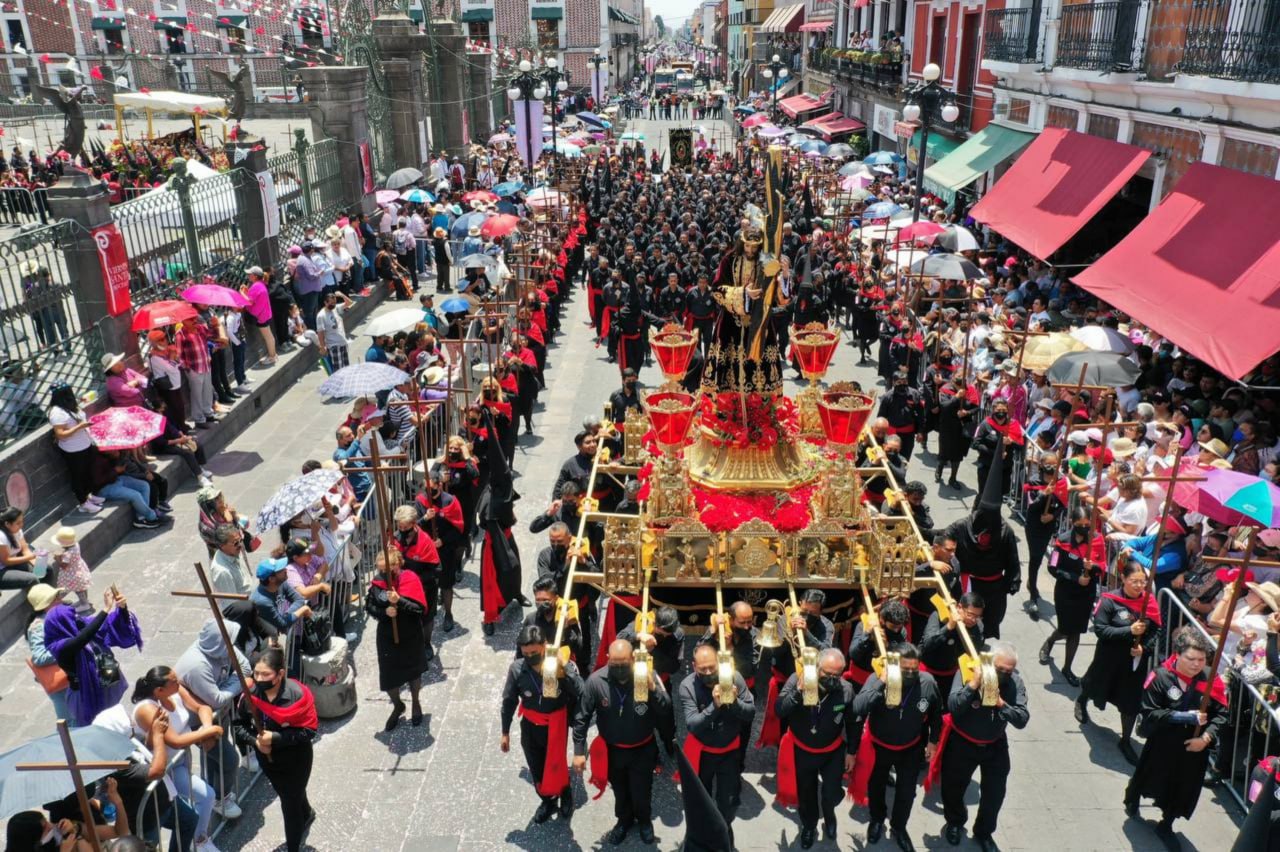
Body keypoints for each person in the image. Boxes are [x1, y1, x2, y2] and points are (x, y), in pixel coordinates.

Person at [1124, 626, 1227, 838]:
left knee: (1183, 787)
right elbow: (1150, 711)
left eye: (1201, 659)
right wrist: (1185, 717)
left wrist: (1205, 738)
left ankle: (1167, 821)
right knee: (1149, 776)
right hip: (1163, 741)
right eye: (1191, 658)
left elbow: (1221, 715)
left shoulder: (1210, 679)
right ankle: (1132, 797)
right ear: (1177, 654)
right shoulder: (1161, 676)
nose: (1197, 664)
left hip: (1194, 745)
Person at [572, 639, 672, 846]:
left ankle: (645, 821)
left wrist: (653, 688)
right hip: (612, 750)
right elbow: (582, 717)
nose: (619, 669)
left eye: (623, 664)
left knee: (642, 790)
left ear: (633, 659)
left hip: (643, 748)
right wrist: (579, 751)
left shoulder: (647, 676)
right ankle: (623, 821)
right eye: (614, 665)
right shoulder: (595, 681)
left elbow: (665, 709)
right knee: (619, 790)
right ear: (608, 660)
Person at [933, 641, 1030, 851]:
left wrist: (1002, 705)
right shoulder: (968, 671)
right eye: (999, 669)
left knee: (995, 793)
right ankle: (955, 822)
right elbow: (953, 706)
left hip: (994, 744)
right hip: (962, 742)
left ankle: (984, 832)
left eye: (1008, 671)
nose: (1004, 674)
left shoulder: (1015, 683)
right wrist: (973, 685)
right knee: (953, 787)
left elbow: (1022, 719)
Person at [851, 643, 943, 852]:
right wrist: (882, 681)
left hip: (910, 748)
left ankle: (899, 827)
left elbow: (936, 713)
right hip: (879, 747)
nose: (910, 673)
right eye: (905, 669)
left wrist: (933, 740)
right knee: (876, 786)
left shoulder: (927, 682)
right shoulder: (878, 679)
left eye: (914, 669)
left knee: (907, 792)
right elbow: (858, 707)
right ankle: (877, 819)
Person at [129, 666, 226, 852]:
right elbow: (175, 741)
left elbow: (202, 707)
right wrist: (211, 731)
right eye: (174, 680)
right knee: (206, 796)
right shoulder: (148, 709)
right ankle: (199, 840)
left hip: (182, 760)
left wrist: (206, 729)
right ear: (159, 690)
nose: (179, 681)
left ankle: (193, 840)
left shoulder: (175, 690)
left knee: (187, 815)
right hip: (166, 768)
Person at [1076, 561, 1162, 765]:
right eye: (1134, 581)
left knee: (1130, 702)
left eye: (1143, 582)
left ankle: (1125, 739)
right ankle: (1082, 699)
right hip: (1109, 657)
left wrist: (1144, 648)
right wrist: (1129, 631)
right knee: (1095, 682)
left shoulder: (1149, 602)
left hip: (1134, 661)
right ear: (1123, 579)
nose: (1139, 586)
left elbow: (1156, 630)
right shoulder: (1109, 601)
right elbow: (1101, 630)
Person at [233, 648, 318, 852]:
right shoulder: (249, 696)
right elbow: (238, 726)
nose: (259, 678)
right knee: (291, 795)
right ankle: (306, 813)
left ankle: (293, 847)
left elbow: (309, 730)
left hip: (297, 758)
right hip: (269, 760)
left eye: (266, 674)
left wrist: (277, 737)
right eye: (256, 673)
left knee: (289, 805)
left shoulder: (297, 695)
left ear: (280, 674)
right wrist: (255, 741)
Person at [773, 648, 857, 849]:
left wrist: (852, 752)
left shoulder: (845, 690)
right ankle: (809, 826)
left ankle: (829, 814)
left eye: (836, 674)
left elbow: (854, 723)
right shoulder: (797, 679)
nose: (831, 678)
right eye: (827, 673)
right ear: (817, 667)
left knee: (832, 792)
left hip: (832, 752)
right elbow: (779, 710)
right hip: (802, 751)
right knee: (806, 794)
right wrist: (798, 692)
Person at [502, 624, 585, 823]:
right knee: (536, 766)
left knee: (556, 763)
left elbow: (581, 690)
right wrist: (504, 731)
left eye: (534, 652)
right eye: (526, 652)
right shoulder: (517, 669)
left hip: (556, 724)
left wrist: (564, 666)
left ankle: (565, 793)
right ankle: (547, 800)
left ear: (545, 646)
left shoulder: (559, 667)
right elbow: (509, 701)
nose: (530, 656)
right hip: (530, 726)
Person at [175, 619, 250, 816]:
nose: (232, 647)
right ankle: (220, 799)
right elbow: (216, 699)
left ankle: (213, 791)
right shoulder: (197, 665)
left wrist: (231, 686)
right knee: (230, 759)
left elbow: (246, 668)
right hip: (200, 723)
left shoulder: (221, 649)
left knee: (216, 760)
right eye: (229, 642)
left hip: (218, 715)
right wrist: (240, 683)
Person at [679, 643, 755, 835]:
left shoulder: (734, 677)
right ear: (694, 666)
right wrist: (715, 706)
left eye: (712, 667)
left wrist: (734, 702)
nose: (708, 672)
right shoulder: (687, 686)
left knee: (729, 800)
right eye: (703, 669)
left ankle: (724, 827)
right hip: (703, 751)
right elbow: (692, 724)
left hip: (729, 751)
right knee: (700, 798)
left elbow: (750, 713)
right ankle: (702, 833)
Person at [944, 450, 1020, 639]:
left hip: (994, 587)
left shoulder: (1005, 531)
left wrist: (1012, 581)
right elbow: (945, 537)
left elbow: (1013, 560)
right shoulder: (962, 525)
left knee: (992, 622)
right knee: (965, 620)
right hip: (968, 583)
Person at [44, 587, 142, 726]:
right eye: (71, 618)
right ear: (62, 624)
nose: (77, 619)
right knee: (97, 726)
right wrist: (106, 609)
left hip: (106, 684)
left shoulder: (80, 625)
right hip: (85, 694)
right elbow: (82, 638)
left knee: (116, 721)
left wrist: (122, 608)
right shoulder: (59, 647)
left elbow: (107, 623)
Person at [1038, 507, 1105, 686]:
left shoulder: (1097, 540)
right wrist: (1075, 578)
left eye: (1087, 525)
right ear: (1072, 523)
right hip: (1065, 592)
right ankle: (1050, 641)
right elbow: (1053, 567)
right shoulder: (1062, 541)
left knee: (1076, 631)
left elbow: (1103, 568)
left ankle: (1067, 668)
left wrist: (1093, 568)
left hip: (1086, 594)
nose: (1084, 528)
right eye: (1079, 525)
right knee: (1065, 628)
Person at [366, 549, 429, 730]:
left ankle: (416, 702)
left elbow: (418, 609)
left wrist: (399, 601)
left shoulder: (409, 578)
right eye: (380, 570)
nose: (383, 574)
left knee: (413, 672)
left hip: (409, 633)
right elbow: (370, 606)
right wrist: (384, 612)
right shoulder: (378, 583)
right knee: (388, 676)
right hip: (387, 636)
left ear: (396, 566)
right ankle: (397, 705)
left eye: (386, 570)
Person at [48, 382, 103, 514]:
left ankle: (89, 496)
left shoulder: (70, 405)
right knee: (77, 476)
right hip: (73, 449)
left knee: (87, 472)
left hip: (85, 444)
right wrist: (79, 427)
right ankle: (83, 502)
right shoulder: (57, 412)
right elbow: (60, 435)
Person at [921, 592, 985, 695]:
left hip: (953, 673)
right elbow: (927, 645)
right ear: (959, 607)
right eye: (970, 614)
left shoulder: (978, 626)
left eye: (977, 616)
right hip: (928, 671)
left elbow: (975, 652)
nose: (973, 620)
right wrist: (948, 627)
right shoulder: (938, 616)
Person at [24, 583, 71, 721]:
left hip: (73, 677)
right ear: (45, 605)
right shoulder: (38, 627)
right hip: (62, 686)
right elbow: (39, 657)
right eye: (55, 598)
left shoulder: (59, 616)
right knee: (71, 724)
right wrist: (67, 648)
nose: (60, 600)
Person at [521, 573, 588, 666]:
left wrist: (566, 629)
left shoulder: (566, 616)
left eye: (545, 600)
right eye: (538, 600)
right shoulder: (531, 620)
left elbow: (578, 647)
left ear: (556, 598)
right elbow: (521, 647)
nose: (541, 603)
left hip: (561, 663)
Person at [0, 506, 41, 594]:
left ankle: (54, 598)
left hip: (13, 562)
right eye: (18, 523)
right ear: (7, 524)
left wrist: (36, 564)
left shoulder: (17, 530)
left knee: (44, 569)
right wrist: (31, 556)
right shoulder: (1, 536)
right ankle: (45, 605)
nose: (21, 525)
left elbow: (25, 549)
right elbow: (6, 561)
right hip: (2, 569)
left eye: (22, 521)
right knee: (32, 579)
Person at [315, 290, 354, 372]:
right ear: (325, 302)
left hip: (343, 343)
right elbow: (320, 333)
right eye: (331, 303)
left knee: (346, 369)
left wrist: (342, 295)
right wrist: (323, 347)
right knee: (339, 371)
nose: (333, 305)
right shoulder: (321, 316)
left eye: (334, 303)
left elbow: (350, 303)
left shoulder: (335, 308)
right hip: (334, 346)